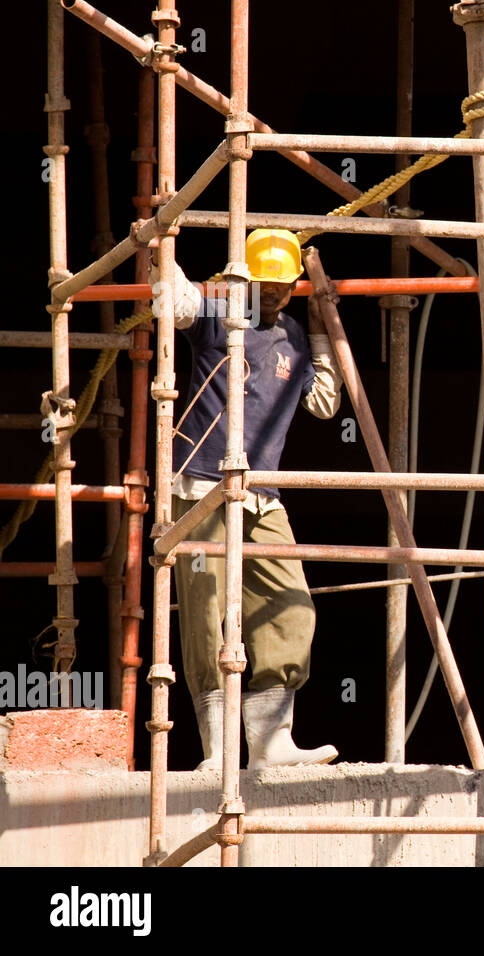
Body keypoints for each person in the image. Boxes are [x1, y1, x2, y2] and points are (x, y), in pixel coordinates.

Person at [160, 228, 342, 770]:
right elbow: (176, 300)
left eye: (284, 287)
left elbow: (326, 404)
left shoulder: (291, 336)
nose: (275, 295)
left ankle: (270, 744)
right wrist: (159, 245)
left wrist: (322, 322)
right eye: (265, 285)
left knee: (291, 604)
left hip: (261, 494)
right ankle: (218, 751)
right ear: (247, 279)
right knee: (207, 614)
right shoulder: (220, 315)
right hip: (200, 485)